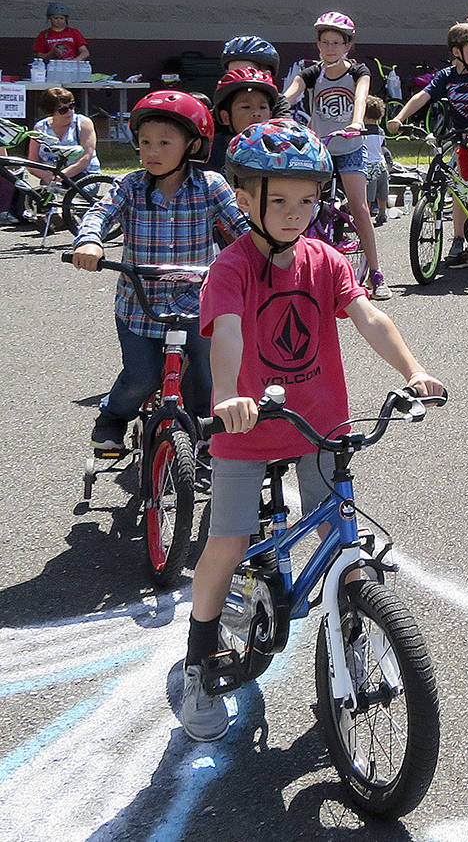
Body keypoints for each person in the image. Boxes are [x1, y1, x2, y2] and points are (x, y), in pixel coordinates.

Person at [177, 119, 443, 741]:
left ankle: (354, 634)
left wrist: (413, 370)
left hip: (320, 425)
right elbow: (227, 335)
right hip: (246, 426)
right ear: (245, 199)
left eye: (307, 199)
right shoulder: (232, 268)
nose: (296, 212)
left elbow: (367, 316)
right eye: (279, 200)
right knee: (228, 542)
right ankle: (198, 662)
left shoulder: (325, 259)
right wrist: (228, 396)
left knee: (340, 532)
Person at [69, 91, 248, 450]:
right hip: (140, 305)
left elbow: (241, 226)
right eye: (146, 142)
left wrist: (264, 254)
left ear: (192, 145)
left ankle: (205, 430)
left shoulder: (210, 186)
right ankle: (112, 417)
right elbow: (101, 213)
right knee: (142, 376)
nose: (152, 151)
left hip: (198, 303)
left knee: (207, 374)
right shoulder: (131, 185)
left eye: (165, 143)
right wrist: (89, 241)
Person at [281, 13, 390, 300]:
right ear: (317, 44)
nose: (329, 48)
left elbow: (360, 97)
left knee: (359, 207)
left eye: (336, 43)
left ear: (347, 46)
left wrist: (357, 122)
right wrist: (274, 109)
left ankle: (376, 273)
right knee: (305, 205)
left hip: (350, 146)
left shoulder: (357, 72)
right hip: (320, 148)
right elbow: (291, 93)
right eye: (325, 42)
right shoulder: (311, 73)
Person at [389, 22, 468, 267]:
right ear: (456, 52)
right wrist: (399, 118)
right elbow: (422, 96)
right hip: (464, 135)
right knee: (466, 190)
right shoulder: (446, 76)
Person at [208, 68, 278, 173]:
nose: (256, 113)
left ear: (270, 116)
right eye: (246, 107)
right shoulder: (211, 152)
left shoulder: (282, 149)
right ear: (225, 117)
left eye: (262, 107)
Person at [27, 86, 100, 185]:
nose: (70, 111)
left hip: (84, 176)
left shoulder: (83, 123)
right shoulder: (40, 128)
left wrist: (60, 176)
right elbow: (32, 162)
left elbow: (86, 158)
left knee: (74, 193)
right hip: (53, 179)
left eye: (72, 106)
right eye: (63, 110)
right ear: (51, 112)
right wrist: (46, 176)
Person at [361, 96, 391, 226]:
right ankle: (382, 213)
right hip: (381, 164)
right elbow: (383, 149)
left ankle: (365, 216)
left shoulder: (361, 131)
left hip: (367, 166)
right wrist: (389, 162)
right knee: (382, 192)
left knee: (367, 195)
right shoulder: (380, 131)